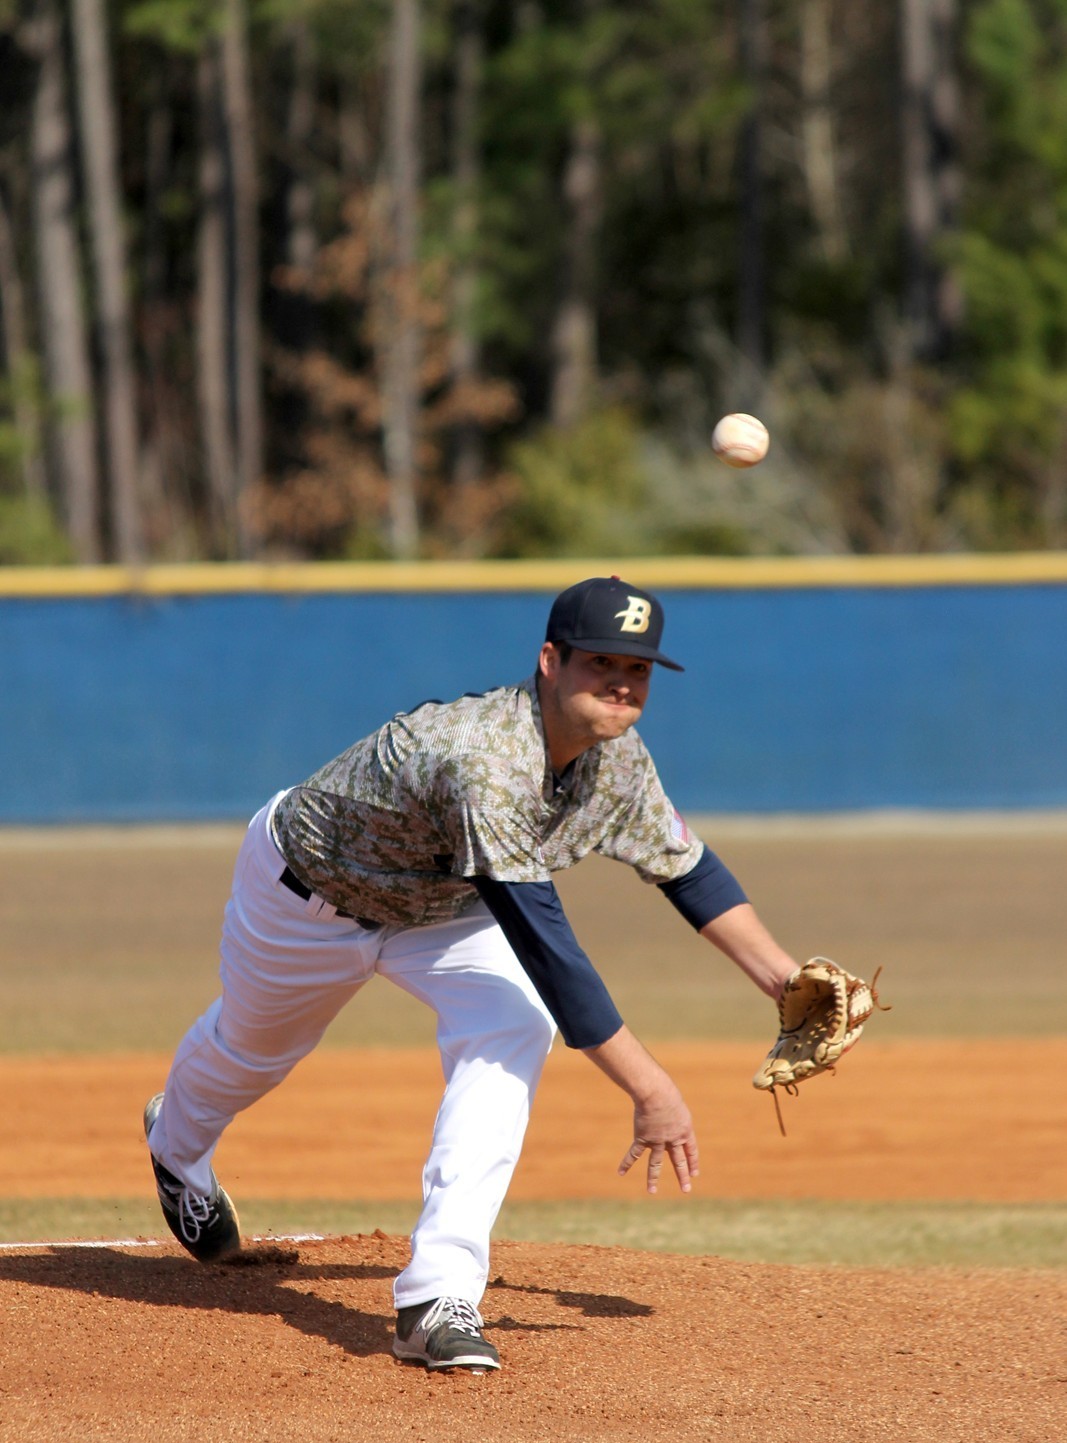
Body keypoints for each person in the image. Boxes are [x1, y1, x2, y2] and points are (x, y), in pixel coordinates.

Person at [144, 575, 798, 1372]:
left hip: (444, 908)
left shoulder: (615, 760)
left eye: (639, 669)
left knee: (513, 1024)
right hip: (308, 897)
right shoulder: (484, 756)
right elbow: (550, 951)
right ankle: (175, 1147)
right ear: (550, 661)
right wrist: (651, 1089)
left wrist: (782, 980)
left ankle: (436, 1296)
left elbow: (686, 872)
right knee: (253, 1054)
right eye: (601, 662)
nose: (622, 682)